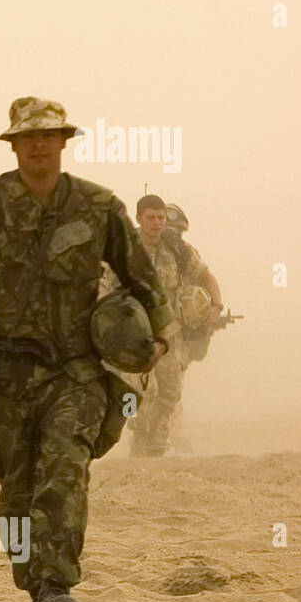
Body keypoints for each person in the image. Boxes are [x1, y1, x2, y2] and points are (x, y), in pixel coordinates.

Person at [0, 97, 173, 602]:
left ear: (64, 142)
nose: (38, 146)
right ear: (14, 145)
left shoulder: (98, 205)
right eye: (28, 138)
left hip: (76, 369)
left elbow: (143, 281)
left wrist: (158, 342)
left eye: (48, 136)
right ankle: (33, 580)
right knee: (17, 488)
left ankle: (54, 584)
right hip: (5, 369)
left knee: (65, 467)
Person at [128, 195, 222, 457]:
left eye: (161, 217)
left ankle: (156, 439)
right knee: (142, 393)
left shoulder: (179, 250)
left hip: (170, 334)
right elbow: (103, 287)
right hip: (135, 333)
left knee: (171, 392)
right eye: (151, 218)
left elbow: (206, 275)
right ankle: (140, 437)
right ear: (139, 219)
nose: (157, 223)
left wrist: (215, 305)